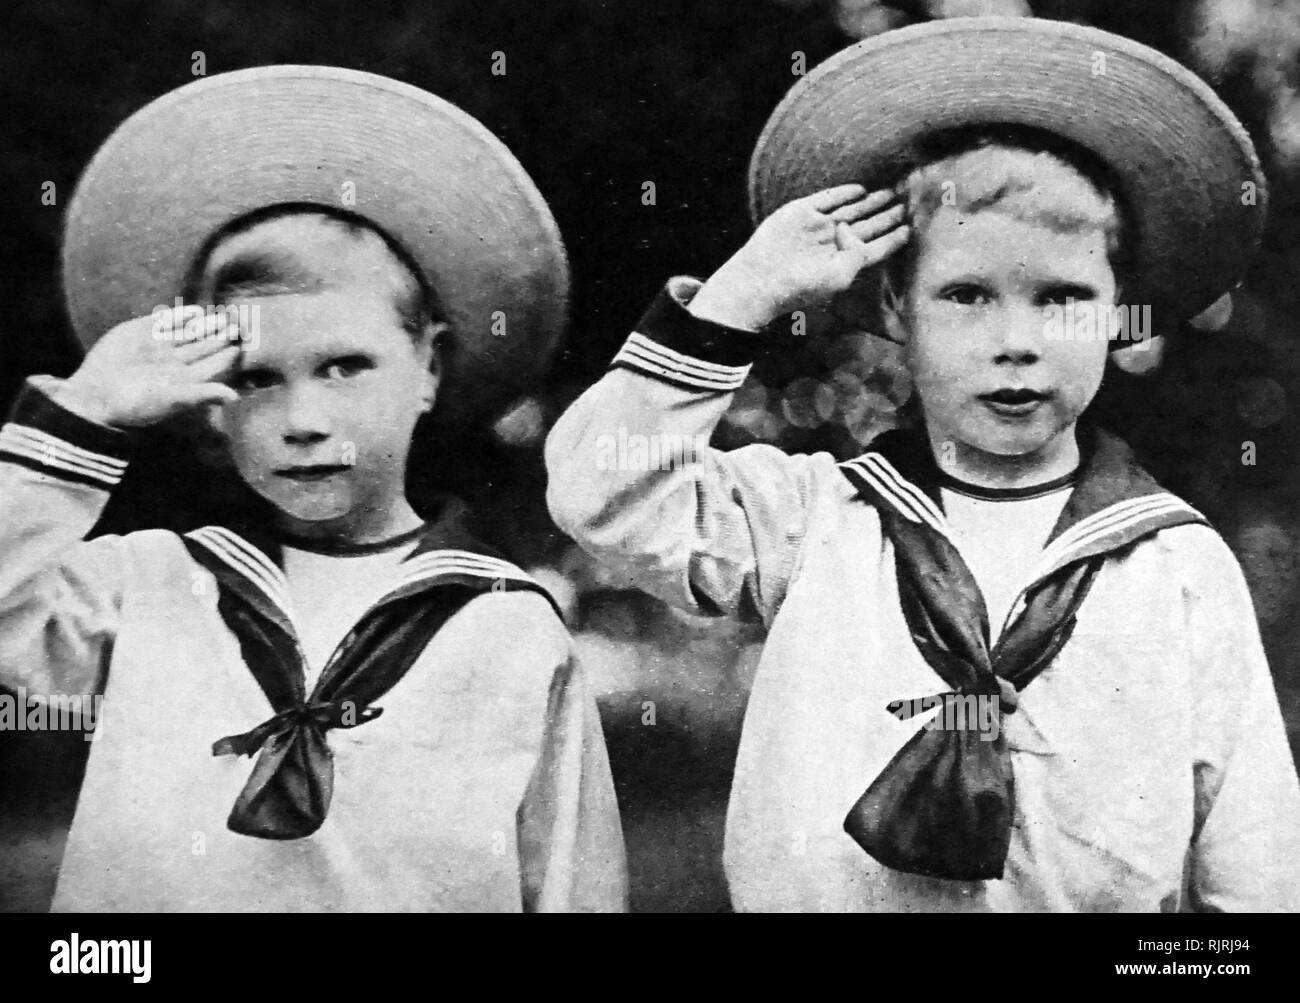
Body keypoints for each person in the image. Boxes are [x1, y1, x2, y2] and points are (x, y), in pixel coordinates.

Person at [546, 17, 1300, 911]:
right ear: (898, 310)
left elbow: (1256, 865)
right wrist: (742, 295)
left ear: (1116, 316)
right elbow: (602, 491)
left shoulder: (1175, 564)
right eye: (967, 296)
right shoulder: (815, 518)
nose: (1016, 342)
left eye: (1061, 298)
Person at [0, 65, 626, 912]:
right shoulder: (143, 589)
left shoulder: (508, 622)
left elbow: (573, 882)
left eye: (344, 366)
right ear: (211, 406)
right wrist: (87, 411)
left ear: (428, 367)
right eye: (257, 379)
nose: (303, 417)